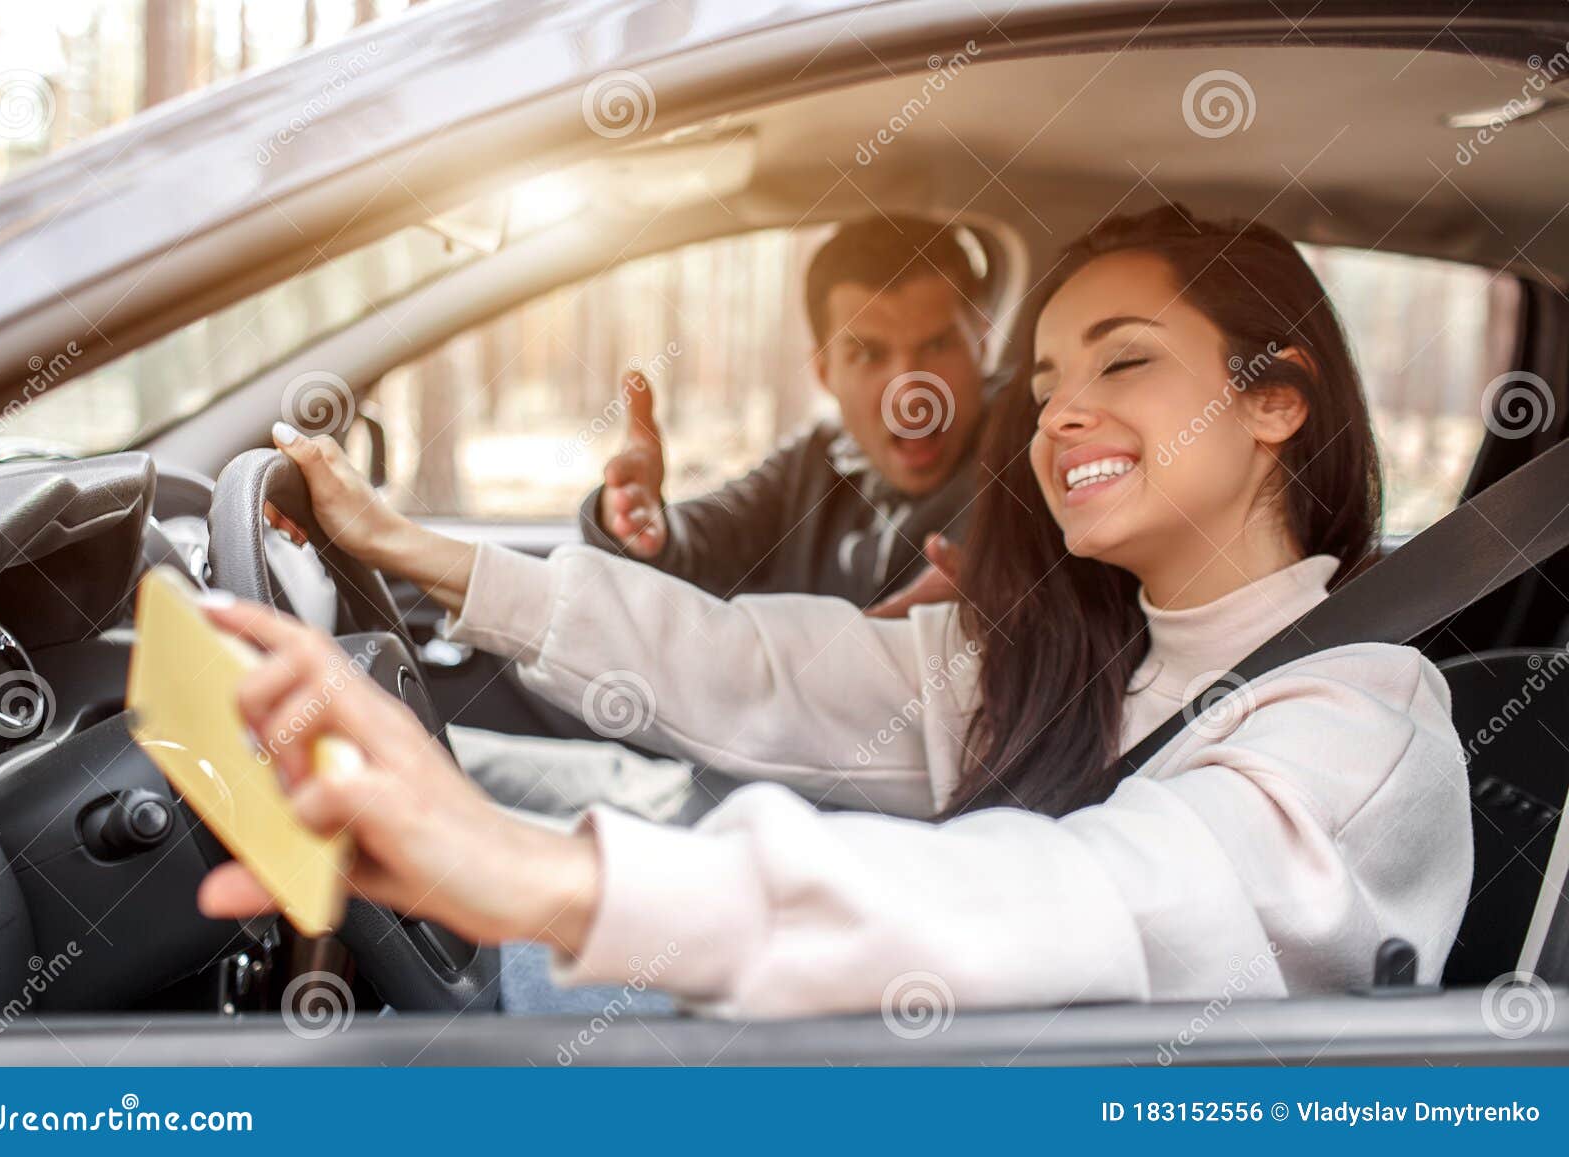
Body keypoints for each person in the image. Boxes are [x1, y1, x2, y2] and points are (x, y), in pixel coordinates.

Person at [211, 206, 1472, 1018]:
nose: (1061, 414)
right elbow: (749, 662)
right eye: (1043, 383)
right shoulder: (1069, 656)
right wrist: (412, 548)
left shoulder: (1362, 723)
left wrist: (551, 878)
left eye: (1123, 360)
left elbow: (1090, 895)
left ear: (1274, 401)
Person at [582, 214, 992, 614]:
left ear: (983, 344)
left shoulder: (1024, 476)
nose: (910, 397)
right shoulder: (816, 461)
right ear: (824, 372)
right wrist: (635, 524)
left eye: (939, 347)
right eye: (868, 355)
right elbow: (699, 545)